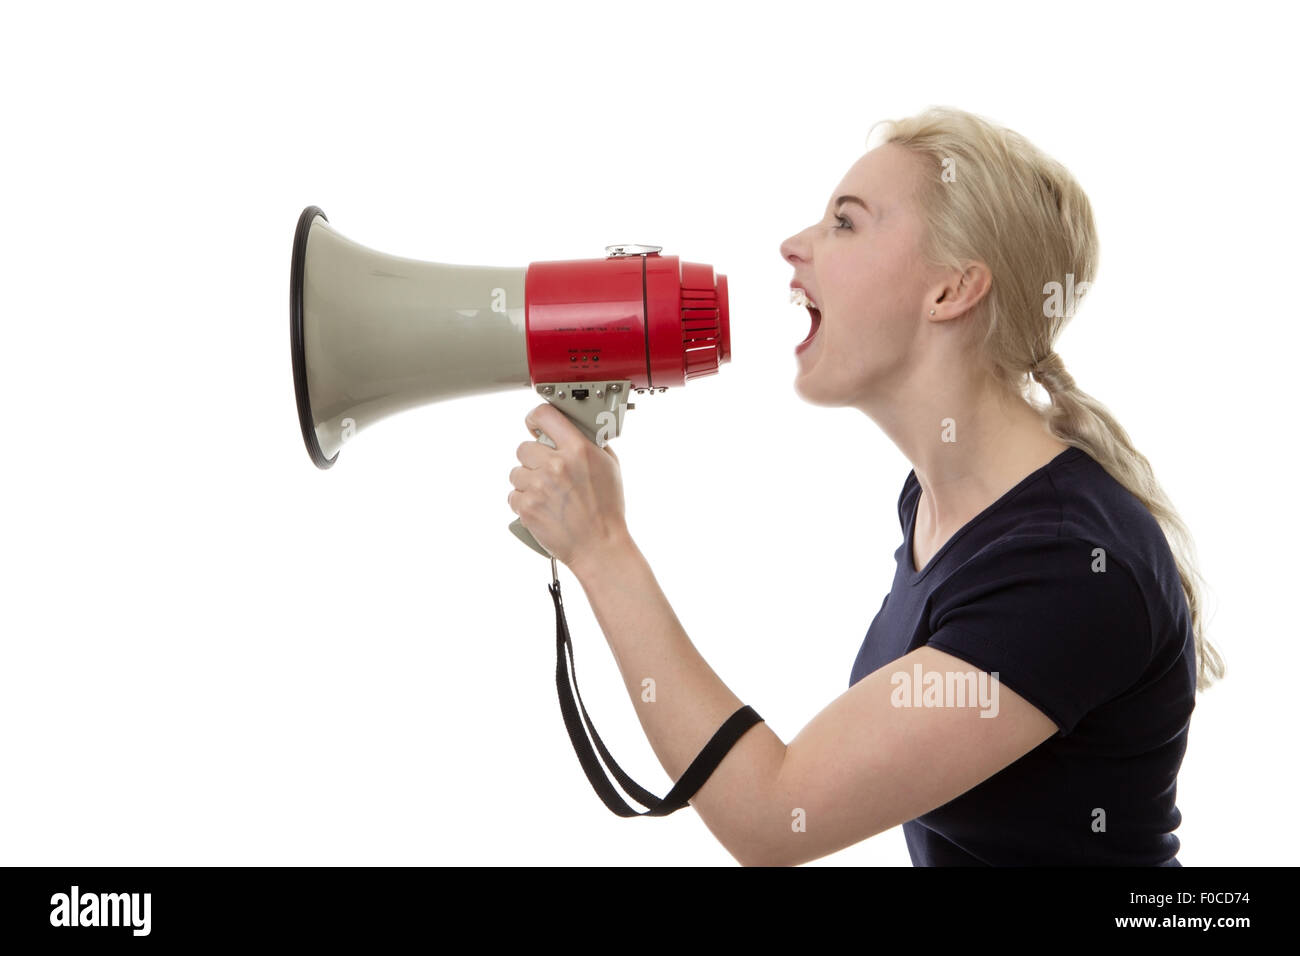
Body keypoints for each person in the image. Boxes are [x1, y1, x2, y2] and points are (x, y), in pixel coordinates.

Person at [505, 105, 1223, 867]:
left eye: (845, 224)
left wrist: (602, 550)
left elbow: (776, 816)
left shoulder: (1066, 567)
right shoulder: (939, 503)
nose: (793, 246)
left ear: (951, 290)